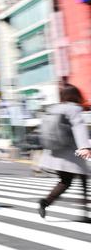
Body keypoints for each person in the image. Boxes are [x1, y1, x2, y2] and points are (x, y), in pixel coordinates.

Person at [38, 84, 91, 222]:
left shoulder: (54, 109)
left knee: (65, 181)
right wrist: (85, 147)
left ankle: (45, 202)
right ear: (75, 95)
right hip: (71, 154)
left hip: (54, 152)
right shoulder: (74, 109)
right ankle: (84, 214)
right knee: (80, 181)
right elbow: (79, 128)